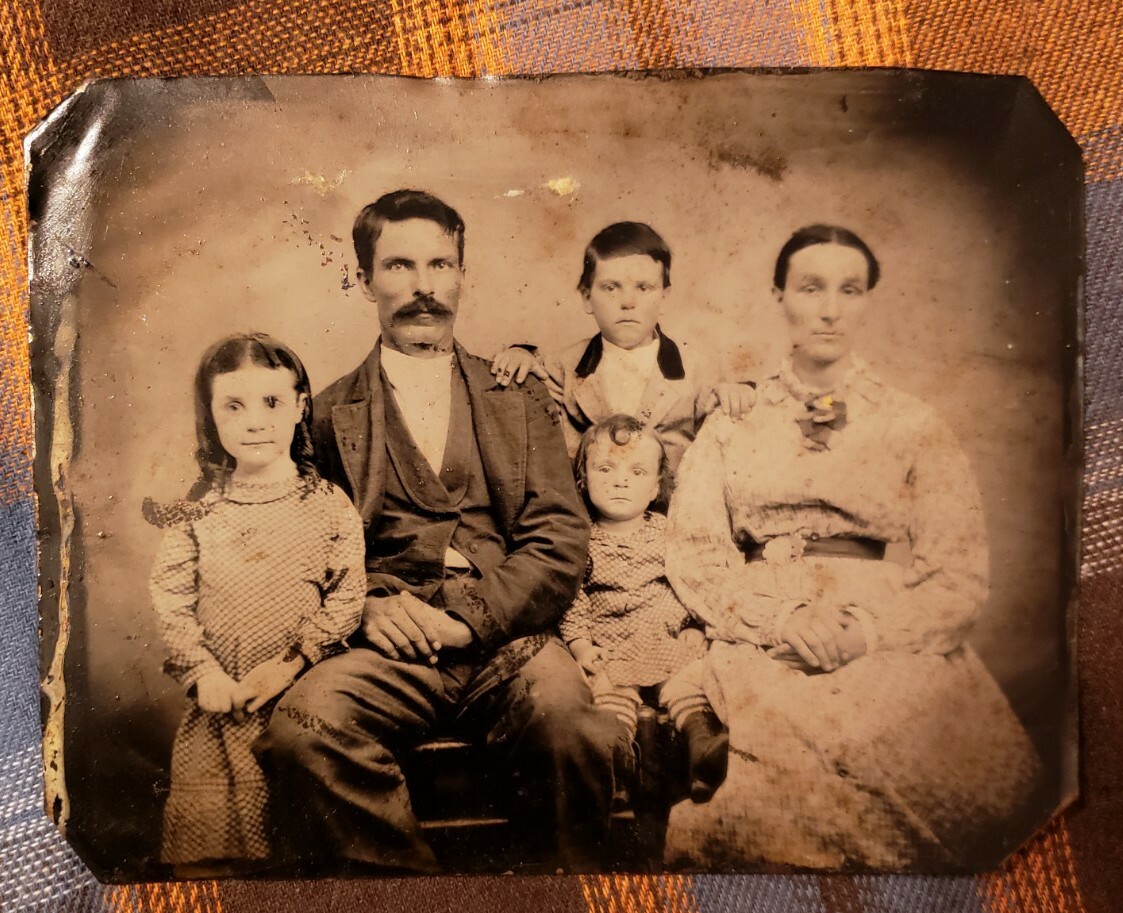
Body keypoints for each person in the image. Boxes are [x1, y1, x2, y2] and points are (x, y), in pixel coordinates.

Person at [255, 189, 625, 875]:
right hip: (386, 642)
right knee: (301, 731)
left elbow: (558, 539)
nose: (423, 287)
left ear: (462, 273)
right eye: (398, 266)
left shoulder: (519, 396)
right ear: (364, 280)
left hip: (510, 637)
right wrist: (363, 605)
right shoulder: (329, 412)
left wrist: (469, 622)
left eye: (440, 264)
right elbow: (307, 551)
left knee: (572, 727)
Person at [662, 225, 1041, 870]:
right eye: (810, 288)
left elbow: (958, 577)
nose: (830, 309)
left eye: (849, 289)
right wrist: (780, 617)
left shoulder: (910, 421)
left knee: (926, 753)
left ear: (867, 301)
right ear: (779, 295)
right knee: (784, 754)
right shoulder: (735, 418)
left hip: (880, 626)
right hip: (764, 622)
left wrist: (866, 631)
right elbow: (694, 553)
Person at [146, 333, 366, 874]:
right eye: (234, 406)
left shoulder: (328, 503)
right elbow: (170, 598)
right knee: (211, 864)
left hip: (299, 700)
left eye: (271, 402)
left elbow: (347, 597)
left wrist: (294, 663)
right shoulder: (195, 509)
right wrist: (203, 675)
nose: (255, 421)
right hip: (221, 708)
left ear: (300, 407)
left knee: (303, 866)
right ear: (212, 415)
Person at [490, 221, 754, 482]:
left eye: (643, 287)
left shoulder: (697, 369)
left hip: (672, 514)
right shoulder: (563, 365)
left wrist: (739, 392)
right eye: (611, 287)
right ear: (586, 297)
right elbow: (532, 378)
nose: (628, 302)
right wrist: (518, 353)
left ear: (664, 295)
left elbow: (724, 440)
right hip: (588, 516)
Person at [560, 414, 728, 803]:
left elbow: (690, 581)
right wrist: (581, 645)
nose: (621, 480)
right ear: (583, 479)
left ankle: (701, 743)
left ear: (655, 487)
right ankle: (616, 761)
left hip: (664, 635)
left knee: (689, 678)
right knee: (608, 691)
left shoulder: (669, 531)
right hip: (611, 642)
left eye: (637, 472)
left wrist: (692, 625)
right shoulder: (579, 540)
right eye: (606, 468)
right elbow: (572, 600)